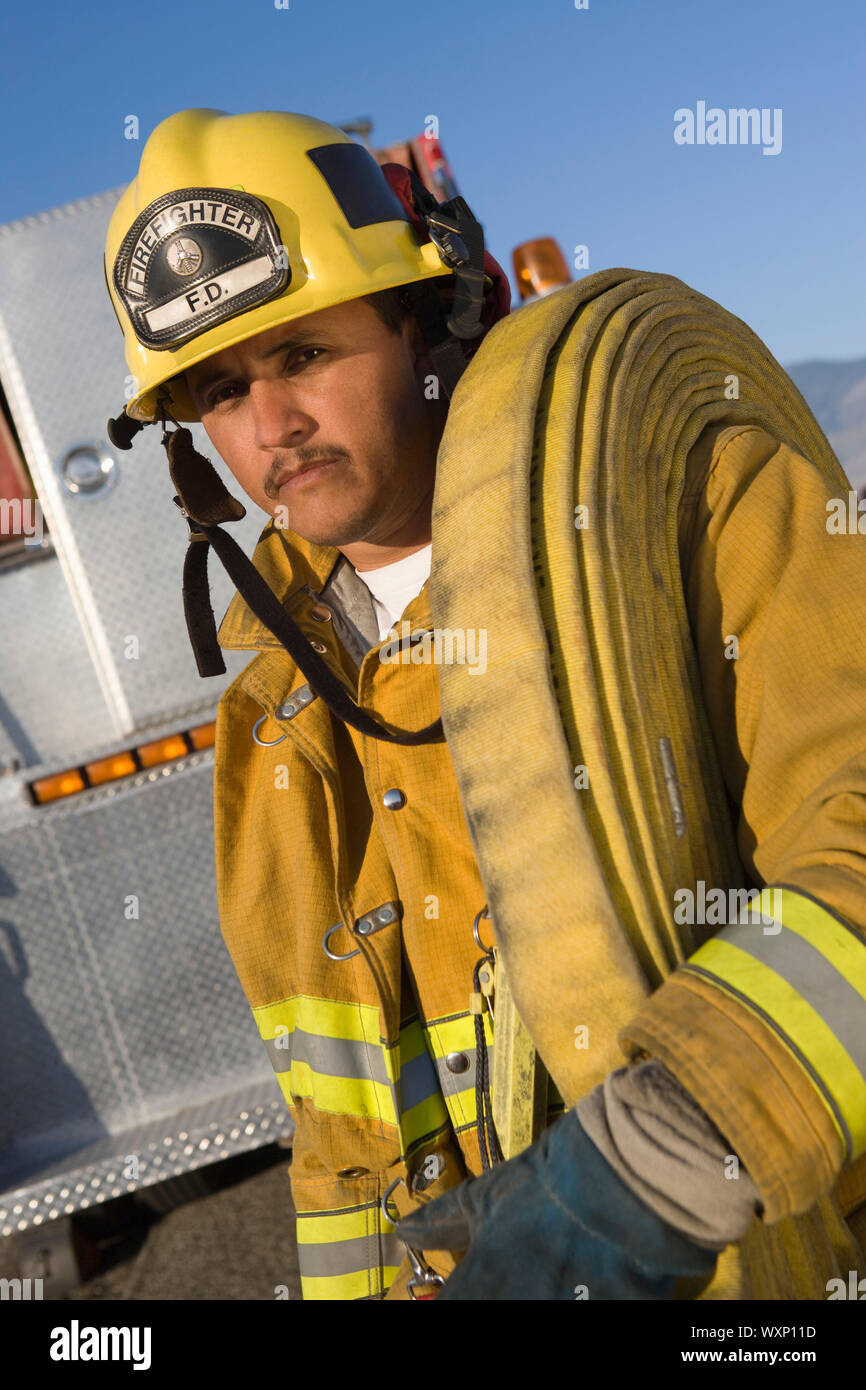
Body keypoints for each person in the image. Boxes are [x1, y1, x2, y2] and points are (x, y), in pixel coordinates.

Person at [104, 107, 866, 1301]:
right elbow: (339, 1148)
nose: (269, 429)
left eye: (303, 353)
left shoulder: (686, 500)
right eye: (216, 390)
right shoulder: (279, 719)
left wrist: (646, 1175)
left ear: (423, 319)